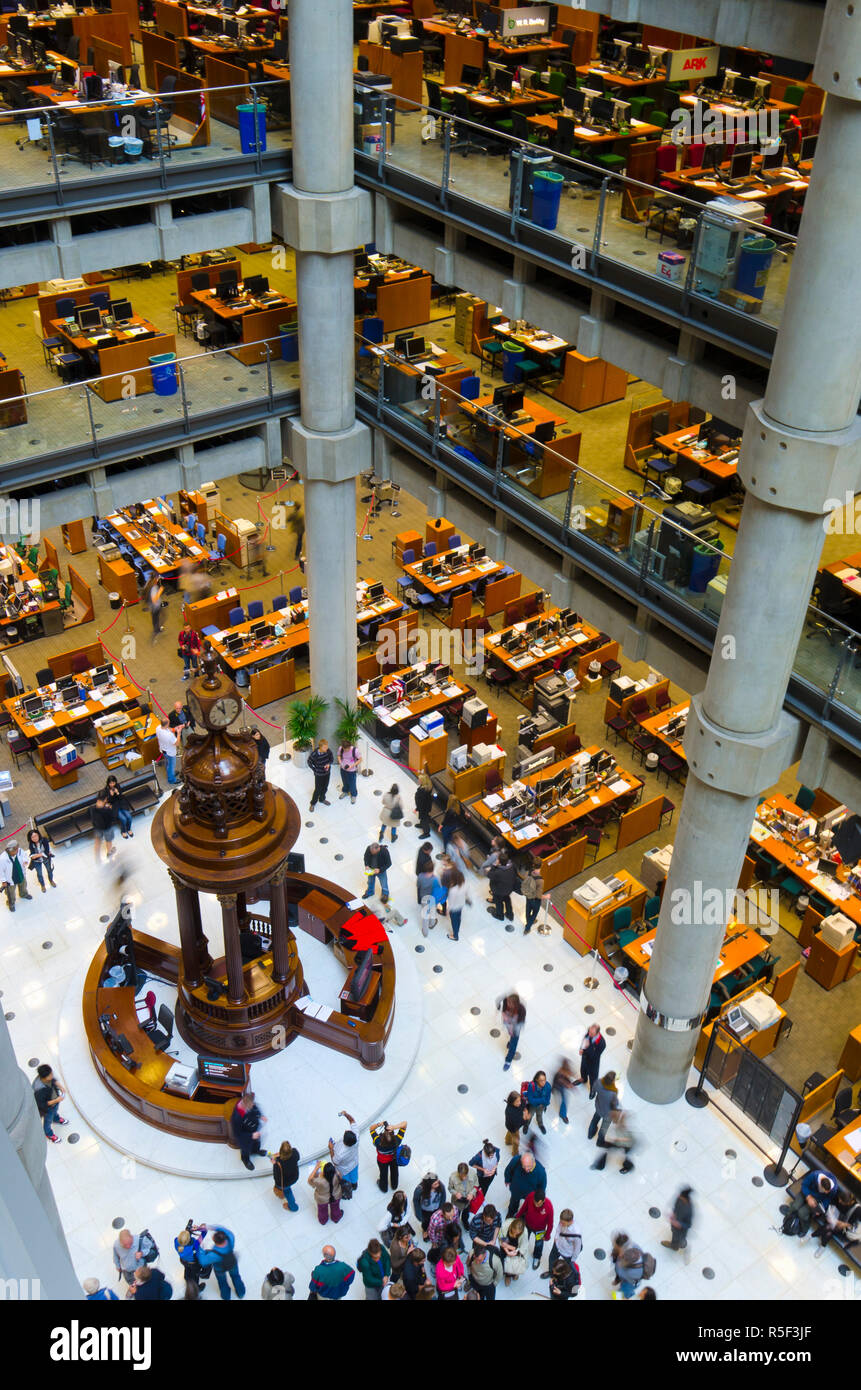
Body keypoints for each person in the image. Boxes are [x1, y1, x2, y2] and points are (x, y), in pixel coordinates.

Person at [198, 1224, 245, 1301]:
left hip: (219, 1269)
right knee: (236, 1276)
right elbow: (223, 1229)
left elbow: (203, 1261)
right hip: (232, 1262)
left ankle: (226, 1297)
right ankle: (241, 1293)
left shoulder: (213, 1254)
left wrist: (201, 1249)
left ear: (215, 1241)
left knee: (222, 1282)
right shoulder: (230, 1237)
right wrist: (209, 1227)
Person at [789, 1170, 838, 1239]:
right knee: (794, 1207)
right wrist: (808, 1196)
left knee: (802, 1213)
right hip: (807, 1192)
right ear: (820, 1185)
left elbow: (828, 1199)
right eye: (825, 1191)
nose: (827, 1193)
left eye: (828, 1191)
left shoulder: (834, 1188)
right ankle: (790, 1219)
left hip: (817, 1200)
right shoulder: (814, 1175)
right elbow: (804, 1185)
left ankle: (804, 1228)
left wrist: (820, 1208)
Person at [503, 1149, 547, 1219]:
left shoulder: (541, 1172)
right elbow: (508, 1170)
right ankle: (511, 1213)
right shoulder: (516, 1160)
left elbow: (542, 1188)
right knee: (513, 1203)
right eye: (524, 1166)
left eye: (528, 1166)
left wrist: (539, 1199)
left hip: (530, 1195)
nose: (526, 1169)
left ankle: (523, 1217)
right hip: (516, 1190)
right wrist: (507, 1179)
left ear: (533, 1161)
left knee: (528, 1207)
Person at [517, 1187, 554, 1270]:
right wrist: (517, 1217)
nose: (536, 1205)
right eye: (535, 1203)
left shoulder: (549, 1206)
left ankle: (537, 1257)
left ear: (543, 1200)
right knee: (524, 1239)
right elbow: (524, 1208)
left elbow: (550, 1223)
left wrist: (547, 1235)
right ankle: (521, 1253)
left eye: (539, 1204)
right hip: (527, 1223)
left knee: (539, 1244)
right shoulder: (530, 1196)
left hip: (540, 1229)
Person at [230, 1090, 267, 1171]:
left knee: (257, 1143)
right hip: (246, 1136)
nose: (253, 1105)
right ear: (245, 1105)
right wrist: (251, 1136)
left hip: (254, 1130)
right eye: (251, 1105)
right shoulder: (237, 1117)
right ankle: (245, 1159)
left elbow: (255, 1109)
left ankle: (256, 1151)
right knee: (246, 1148)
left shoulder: (250, 1104)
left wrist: (260, 1116)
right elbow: (238, 1134)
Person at [588, 1071, 621, 1161]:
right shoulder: (613, 1092)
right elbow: (615, 1104)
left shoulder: (598, 1082)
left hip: (598, 1107)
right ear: (613, 1081)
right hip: (607, 1113)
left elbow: (593, 1089)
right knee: (604, 1127)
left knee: (594, 1120)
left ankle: (590, 1134)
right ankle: (600, 1141)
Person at [542, 1208, 582, 1279]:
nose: (561, 1224)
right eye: (561, 1222)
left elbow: (577, 1248)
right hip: (557, 1245)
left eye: (563, 1223)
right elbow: (558, 1230)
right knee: (552, 1259)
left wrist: (573, 1260)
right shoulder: (561, 1222)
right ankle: (551, 1273)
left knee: (564, 1268)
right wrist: (556, 1237)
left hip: (567, 1253)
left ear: (570, 1221)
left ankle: (559, 1279)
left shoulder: (576, 1233)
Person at [32, 1064, 68, 1142]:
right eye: (50, 1075)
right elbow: (42, 1104)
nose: (52, 1075)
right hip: (47, 1109)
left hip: (55, 1101)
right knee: (47, 1121)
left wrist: (60, 1086)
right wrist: (56, 1100)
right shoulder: (39, 1089)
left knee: (55, 1112)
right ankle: (49, 1134)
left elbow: (53, 1080)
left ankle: (56, 1119)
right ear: (44, 1077)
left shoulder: (47, 1077)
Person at [370, 1119, 407, 1192]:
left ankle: (384, 1188)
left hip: (382, 1161)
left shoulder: (378, 1141)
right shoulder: (397, 1140)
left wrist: (379, 1124)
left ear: (382, 1137)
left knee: (383, 1174)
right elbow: (405, 1123)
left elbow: (371, 1128)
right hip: (394, 1159)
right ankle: (394, 1185)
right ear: (393, 1136)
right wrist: (394, 1127)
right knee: (394, 1172)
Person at [328, 1110, 359, 1190]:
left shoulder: (340, 1154)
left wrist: (331, 1148)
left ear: (344, 1141)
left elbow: (335, 1162)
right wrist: (345, 1114)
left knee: (346, 1180)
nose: (345, 1130)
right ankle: (354, 1185)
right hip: (354, 1163)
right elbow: (352, 1121)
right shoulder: (356, 1137)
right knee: (354, 1176)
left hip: (344, 1169)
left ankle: (348, 1188)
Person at [496, 992, 526, 1071]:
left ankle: (508, 1061)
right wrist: (501, 1011)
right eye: (508, 1002)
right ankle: (510, 1041)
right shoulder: (506, 1001)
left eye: (510, 1003)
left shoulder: (521, 1010)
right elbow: (499, 1000)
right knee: (510, 1035)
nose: (508, 1004)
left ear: (516, 1004)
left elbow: (520, 1023)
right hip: (508, 1023)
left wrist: (512, 1029)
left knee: (513, 1044)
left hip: (516, 1028)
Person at [574, 1023, 606, 1098]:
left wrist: (587, 1048)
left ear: (597, 1033)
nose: (589, 1034)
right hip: (585, 1059)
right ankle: (583, 1079)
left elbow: (595, 1056)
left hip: (593, 1063)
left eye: (591, 1033)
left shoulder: (602, 1043)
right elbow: (584, 1041)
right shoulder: (589, 1033)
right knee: (583, 1070)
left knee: (593, 1078)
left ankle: (593, 1090)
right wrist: (581, 1048)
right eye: (589, 1031)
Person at [611, 1232, 646, 1300]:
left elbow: (620, 1273)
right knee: (627, 1292)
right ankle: (630, 1295)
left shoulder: (626, 1268)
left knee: (618, 1295)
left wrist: (617, 1280)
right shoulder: (635, 1247)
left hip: (629, 1283)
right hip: (634, 1281)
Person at [308, 1159, 342, 1225]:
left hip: (322, 1200)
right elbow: (340, 1177)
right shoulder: (336, 1175)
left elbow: (309, 1180)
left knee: (322, 1211)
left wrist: (316, 1168)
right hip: (336, 1196)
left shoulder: (319, 1181)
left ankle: (323, 1221)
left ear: (323, 1173)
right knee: (336, 1208)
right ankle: (336, 1218)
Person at [413, 1172, 447, 1239]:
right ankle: (425, 1231)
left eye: (438, 1182)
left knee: (435, 1221)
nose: (438, 1184)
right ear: (429, 1184)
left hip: (436, 1209)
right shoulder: (419, 1190)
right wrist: (419, 1215)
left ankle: (433, 1230)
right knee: (425, 1222)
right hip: (425, 1211)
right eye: (435, 1184)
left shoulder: (441, 1186)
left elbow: (443, 1197)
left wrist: (441, 1209)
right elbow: (416, 1201)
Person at [1, 841, 33, 909]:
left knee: (23, 885)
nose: (18, 850)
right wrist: (3, 881)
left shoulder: (20, 851)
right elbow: (1, 871)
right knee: (10, 893)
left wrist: (25, 861)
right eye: (16, 850)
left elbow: (24, 856)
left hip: (20, 873)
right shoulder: (2, 858)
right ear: (11, 851)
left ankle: (23, 894)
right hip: (10, 878)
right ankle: (11, 903)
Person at [499, 1215, 530, 1285]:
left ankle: (515, 1273)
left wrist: (512, 1249)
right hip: (505, 1248)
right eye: (514, 1232)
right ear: (511, 1227)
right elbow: (502, 1240)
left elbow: (522, 1248)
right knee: (505, 1264)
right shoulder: (505, 1226)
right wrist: (507, 1251)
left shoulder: (524, 1233)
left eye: (517, 1233)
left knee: (516, 1264)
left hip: (516, 1250)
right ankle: (508, 1276)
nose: (515, 1234)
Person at [488, 852, 519, 921]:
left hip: (499, 891)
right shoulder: (512, 865)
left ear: (499, 862)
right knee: (507, 900)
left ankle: (500, 916)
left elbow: (489, 875)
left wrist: (494, 865)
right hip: (509, 888)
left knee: (499, 903)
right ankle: (510, 915)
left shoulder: (498, 871)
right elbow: (515, 874)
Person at [662, 1185, 694, 1253]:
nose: (678, 1196)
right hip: (675, 1223)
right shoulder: (679, 1199)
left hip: (680, 1230)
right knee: (674, 1231)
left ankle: (674, 1246)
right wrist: (673, 1214)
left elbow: (689, 1225)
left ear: (685, 1198)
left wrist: (679, 1224)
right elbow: (675, 1207)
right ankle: (680, 1242)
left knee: (677, 1238)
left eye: (681, 1196)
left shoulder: (689, 1210)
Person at [175, 1227, 205, 1296]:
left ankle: (187, 1278)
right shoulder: (195, 1245)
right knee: (195, 1275)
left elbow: (183, 1241)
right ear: (189, 1240)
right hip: (194, 1264)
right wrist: (200, 1228)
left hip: (184, 1261)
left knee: (187, 1269)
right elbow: (204, 1233)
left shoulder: (176, 1241)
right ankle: (196, 1288)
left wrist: (186, 1233)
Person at [271, 1140, 300, 1212]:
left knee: (287, 1192)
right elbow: (297, 1157)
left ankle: (293, 1207)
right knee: (287, 1189)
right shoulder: (295, 1152)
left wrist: (274, 1163)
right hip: (294, 1177)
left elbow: (276, 1176)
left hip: (284, 1183)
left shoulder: (278, 1163)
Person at [104, 774, 133, 839]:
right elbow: (108, 802)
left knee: (129, 816)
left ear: (115, 782)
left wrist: (117, 793)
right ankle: (123, 831)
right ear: (108, 783)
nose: (112, 784)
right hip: (114, 806)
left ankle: (128, 829)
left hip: (122, 804)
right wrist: (111, 795)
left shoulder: (117, 786)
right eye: (110, 783)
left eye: (113, 783)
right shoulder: (106, 790)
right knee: (123, 819)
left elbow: (121, 797)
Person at [308, 737, 334, 810]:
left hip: (327, 773)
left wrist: (329, 764)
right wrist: (315, 769)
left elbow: (331, 759)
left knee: (325, 787)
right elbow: (309, 762)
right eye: (325, 747)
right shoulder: (314, 754)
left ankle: (322, 799)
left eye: (327, 746)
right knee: (318, 789)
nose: (327, 748)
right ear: (320, 747)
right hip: (319, 775)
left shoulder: (328, 751)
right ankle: (313, 803)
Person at [521, 856, 544, 934]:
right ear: (541, 865)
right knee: (534, 913)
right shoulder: (540, 880)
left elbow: (525, 880)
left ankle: (528, 921)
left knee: (528, 910)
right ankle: (527, 928)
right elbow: (539, 895)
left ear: (533, 864)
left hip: (528, 896)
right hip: (535, 900)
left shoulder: (528, 872)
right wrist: (546, 896)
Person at [525, 1070, 552, 1135]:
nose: (543, 1082)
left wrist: (543, 1102)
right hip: (533, 1105)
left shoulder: (548, 1086)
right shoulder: (531, 1086)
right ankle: (526, 1125)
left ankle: (541, 1125)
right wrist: (542, 1100)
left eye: (544, 1080)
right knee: (530, 1116)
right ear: (537, 1080)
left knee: (539, 1115)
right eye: (541, 1080)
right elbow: (530, 1099)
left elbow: (548, 1099)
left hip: (542, 1106)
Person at [551, 1056, 577, 1126]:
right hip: (558, 1087)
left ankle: (562, 1114)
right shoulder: (559, 1075)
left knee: (565, 1100)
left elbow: (571, 1074)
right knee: (565, 1100)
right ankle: (563, 1115)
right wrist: (570, 1086)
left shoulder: (566, 1070)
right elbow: (565, 1084)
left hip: (561, 1085)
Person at [445, 866, 468, 941]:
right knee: (458, 918)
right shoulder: (464, 885)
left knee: (454, 921)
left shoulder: (453, 890)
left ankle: (455, 935)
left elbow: (451, 902)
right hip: (460, 905)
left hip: (454, 908)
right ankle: (457, 929)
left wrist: (448, 910)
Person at [156, 719, 178, 785]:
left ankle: (171, 773)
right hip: (170, 752)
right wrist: (179, 733)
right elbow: (176, 743)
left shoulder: (158, 728)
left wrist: (174, 729)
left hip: (163, 749)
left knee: (167, 763)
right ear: (167, 724)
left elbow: (167, 729)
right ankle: (172, 779)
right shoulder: (169, 735)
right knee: (171, 765)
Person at [414, 769, 433, 836]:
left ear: (423, 781)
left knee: (424, 819)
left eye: (419, 779)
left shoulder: (422, 791)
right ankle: (421, 824)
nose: (418, 780)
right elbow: (427, 775)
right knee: (423, 818)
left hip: (423, 808)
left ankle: (426, 833)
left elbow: (420, 802)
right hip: (426, 806)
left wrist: (417, 808)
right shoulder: (428, 786)